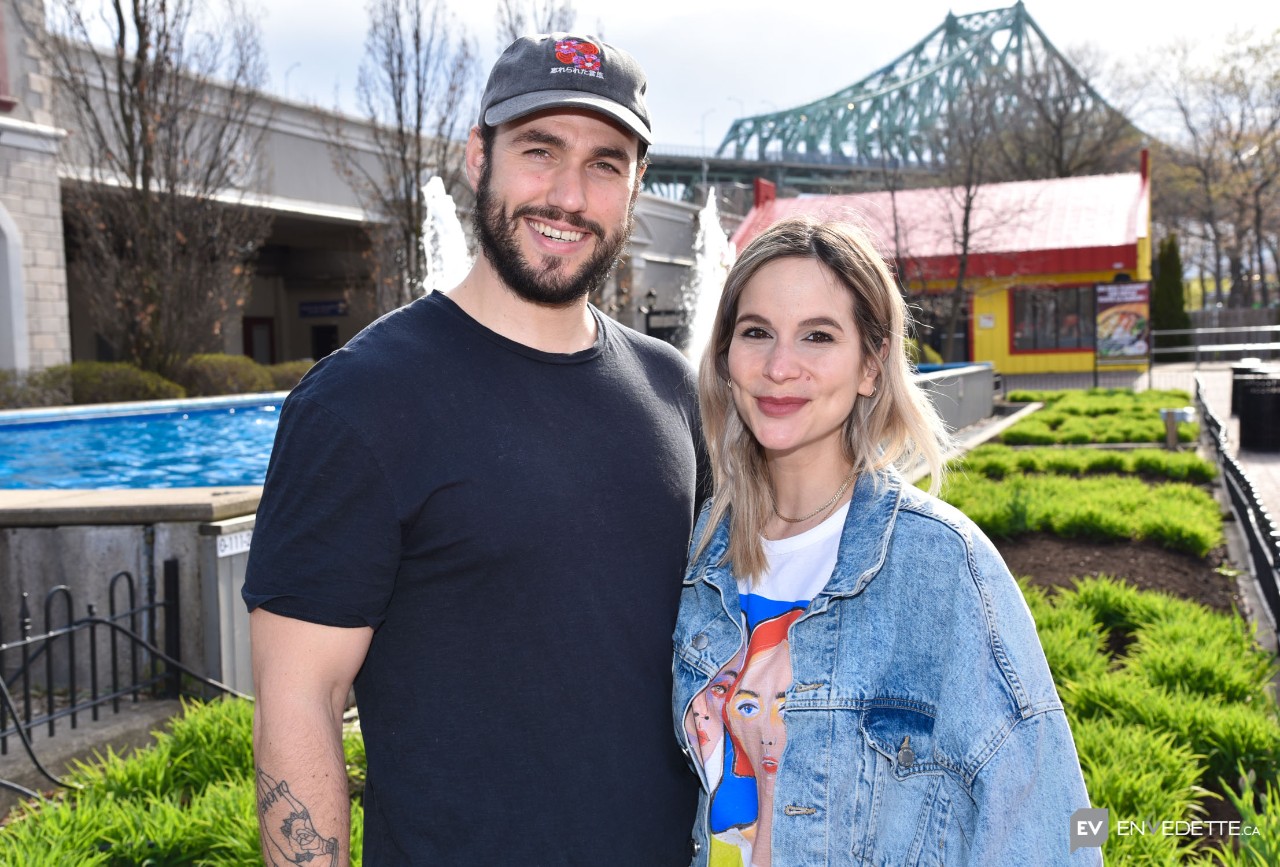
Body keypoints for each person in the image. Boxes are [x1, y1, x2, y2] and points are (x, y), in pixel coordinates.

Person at [245, 33, 707, 865]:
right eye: (540, 151)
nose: (568, 194)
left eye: (606, 164)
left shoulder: (672, 388)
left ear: (635, 188)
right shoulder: (359, 400)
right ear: (477, 155)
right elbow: (298, 699)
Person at [673, 217, 1098, 866]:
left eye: (818, 335)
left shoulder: (944, 569)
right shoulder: (702, 554)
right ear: (726, 357)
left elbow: (1054, 829)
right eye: (756, 332)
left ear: (871, 365)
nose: (780, 366)